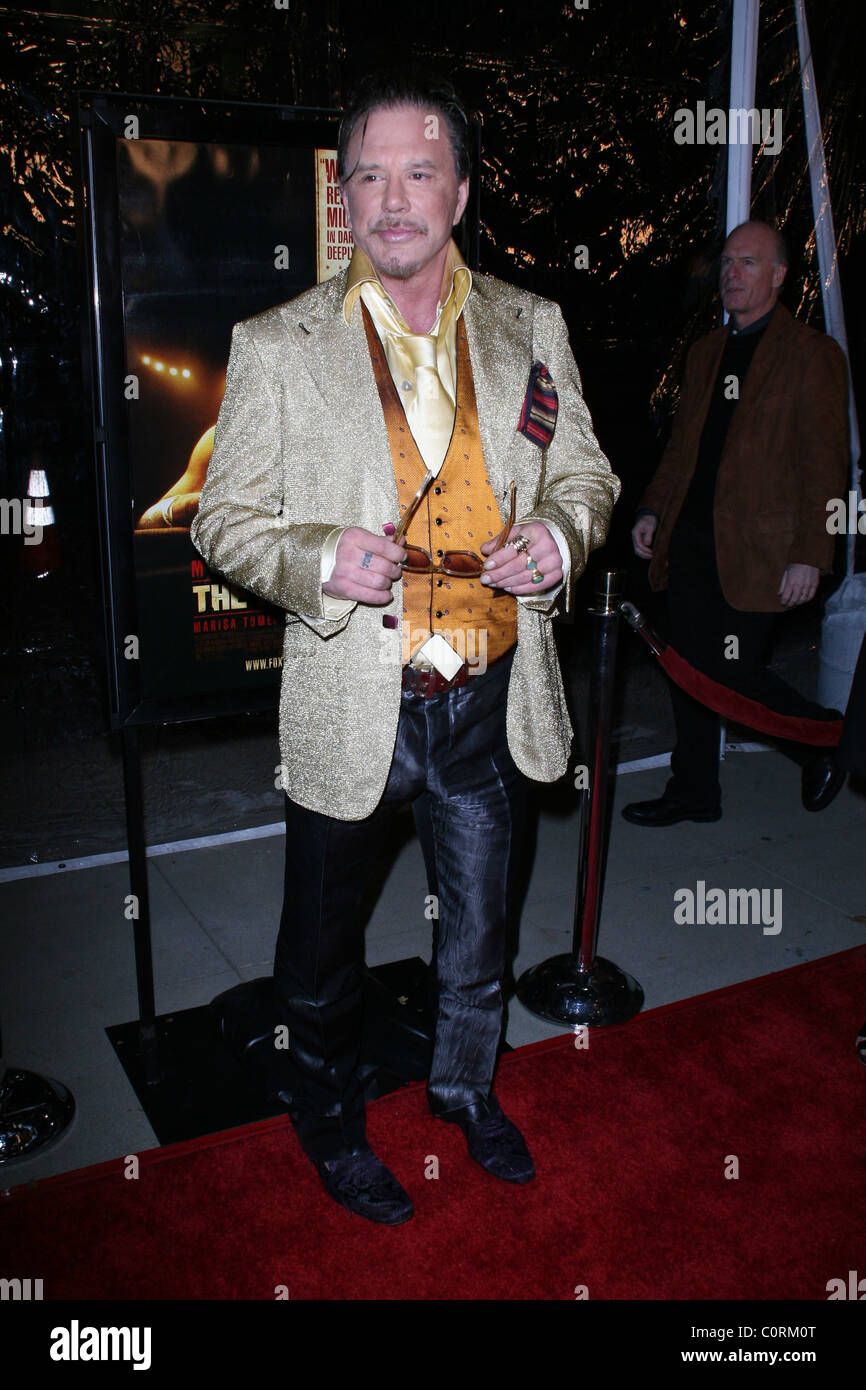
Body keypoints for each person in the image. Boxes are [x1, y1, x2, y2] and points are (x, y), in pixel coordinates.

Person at [191, 70, 619, 1224]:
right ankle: (330, 1124)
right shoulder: (278, 344)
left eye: (416, 171)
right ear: (345, 197)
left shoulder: (532, 326)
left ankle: (465, 1088)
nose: (391, 198)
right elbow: (222, 517)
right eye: (367, 174)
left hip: (485, 697)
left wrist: (559, 536)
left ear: (459, 192)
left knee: (478, 928)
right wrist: (318, 556)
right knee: (320, 954)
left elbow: (584, 474)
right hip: (352, 703)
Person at [624, 220, 850, 827]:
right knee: (687, 671)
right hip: (693, 542)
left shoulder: (812, 355)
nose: (732, 274)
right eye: (726, 262)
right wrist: (652, 509)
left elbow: (827, 464)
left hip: (763, 552)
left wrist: (812, 552)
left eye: (748, 263)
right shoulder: (705, 354)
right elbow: (681, 450)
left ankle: (825, 739)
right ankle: (694, 790)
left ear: (779, 276)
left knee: (730, 671)